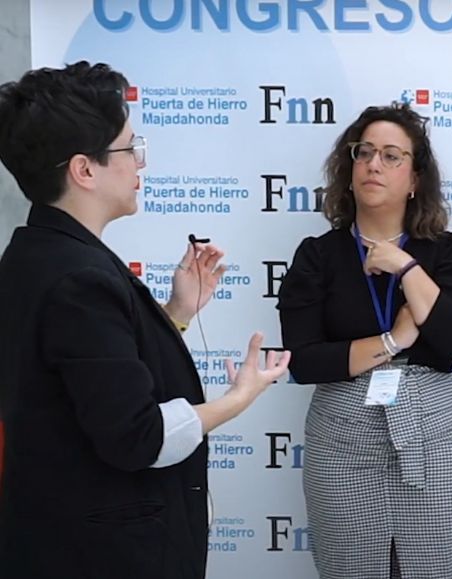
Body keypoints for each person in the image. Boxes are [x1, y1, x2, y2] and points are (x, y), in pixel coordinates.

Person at [0, 62, 290, 579]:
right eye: (129, 149)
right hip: (102, 553)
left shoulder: (40, 254)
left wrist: (177, 313)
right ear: (83, 170)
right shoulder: (78, 279)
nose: (140, 164)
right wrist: (238, 398)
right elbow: (139, 436)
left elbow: (89, 380)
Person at [276, 102, 452, 579]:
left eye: (392, 156)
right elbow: (305, 361)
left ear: (415, 180)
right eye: (364, 152)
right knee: (350, 568)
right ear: (348, 171)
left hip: (431, 438)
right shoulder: (317, 256)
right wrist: (395, 339)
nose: (373, 164)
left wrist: (405, 267)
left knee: (438, 568)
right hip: (343, 442)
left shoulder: (447, 251)